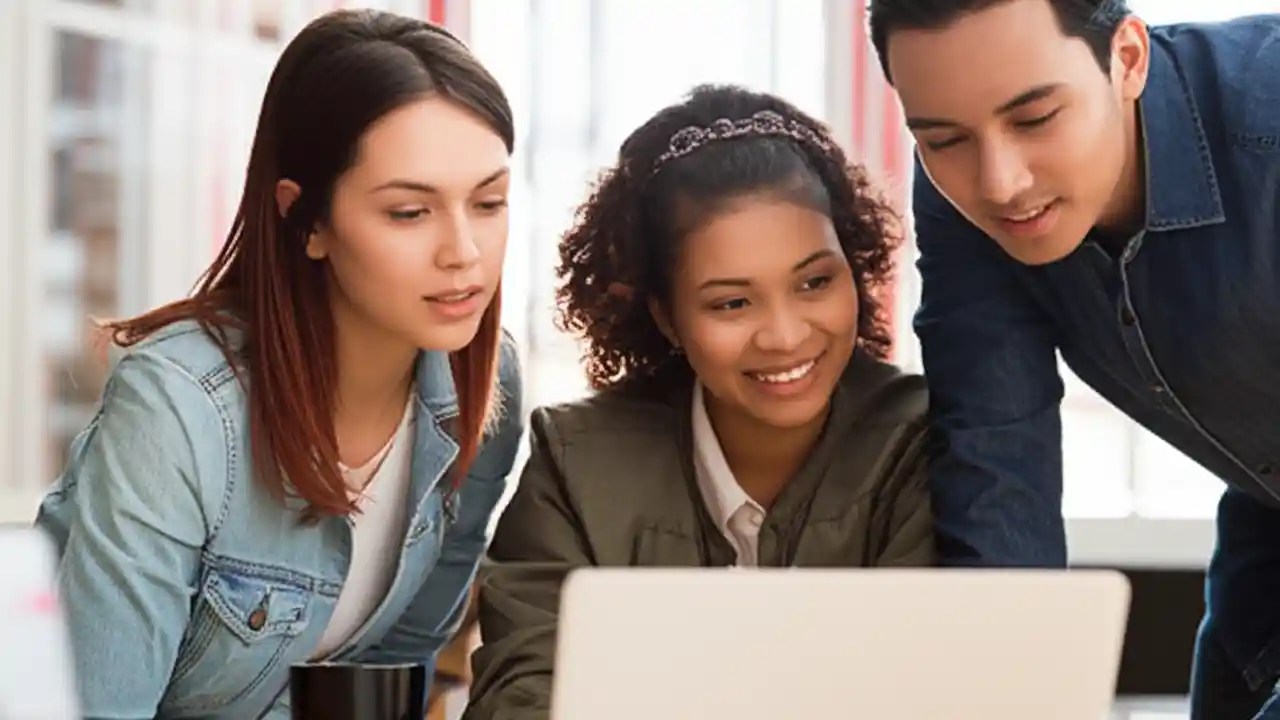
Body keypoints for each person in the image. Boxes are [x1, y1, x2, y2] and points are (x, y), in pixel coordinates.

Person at [33, 9, 523, 719]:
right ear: (307, 220)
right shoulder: (180, 407)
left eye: (489, 202)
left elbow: (392, 672)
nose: (465, 253)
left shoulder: (480, 377)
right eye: (409, 213)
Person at [464, 84, 936, 719]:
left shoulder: (919, 442)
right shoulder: (578, 462)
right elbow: (521, 696)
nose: (785, 334)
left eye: (815, 282)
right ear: (665, 317)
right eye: (731, 303)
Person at [866, 0, 1280, 717]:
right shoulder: (964, 202)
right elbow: (995, 463)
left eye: (1034, 120)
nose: (1000, 183)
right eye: (944, 139)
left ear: (1126, 58)